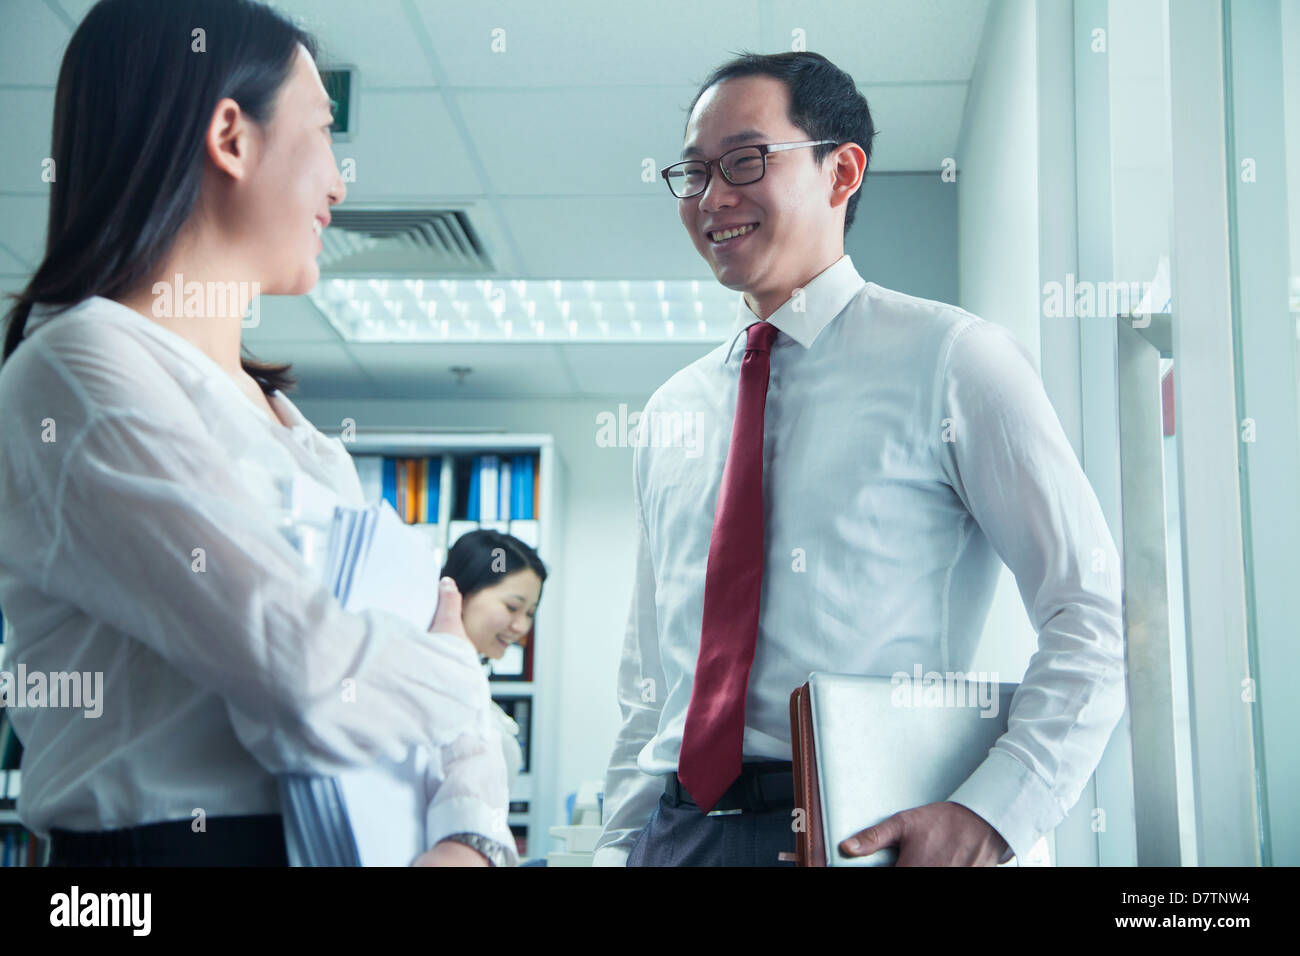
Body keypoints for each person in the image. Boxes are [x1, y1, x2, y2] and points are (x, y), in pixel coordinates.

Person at [0, 0, 512, 867]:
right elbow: (309, 674)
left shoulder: (297, 433)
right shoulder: (81, 368)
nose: (340, 186)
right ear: (231, 136)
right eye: (322, 133)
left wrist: (469, 838)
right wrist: (458, 671)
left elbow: (423, 706)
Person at [593, 51, 1126, 867]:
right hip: (677, 834)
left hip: (855, 831)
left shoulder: (956, 361)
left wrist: (993, 813)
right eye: (693, 172)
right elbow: (651, 676)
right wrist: (620, 846)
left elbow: (1089, 611)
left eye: (744, 161)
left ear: (841, 172)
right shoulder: (673, 410)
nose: (711, 197)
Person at [440, 530, 547, 792]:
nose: (521, 626)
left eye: (530, 613)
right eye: (512, 607)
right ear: (461, 591)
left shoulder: (468, 676)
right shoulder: (433, 679)